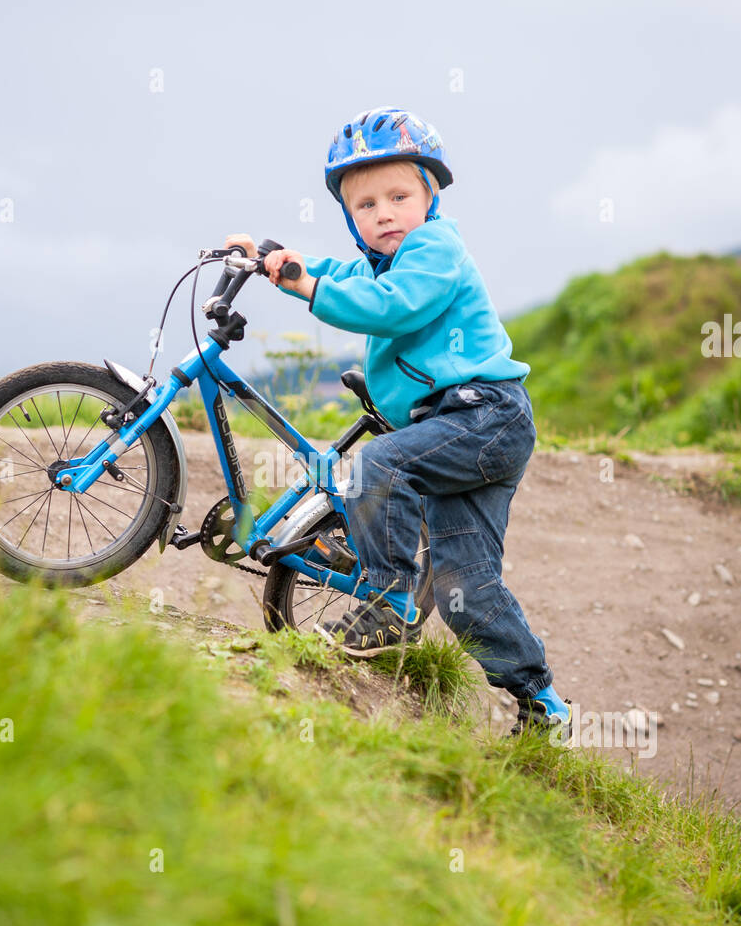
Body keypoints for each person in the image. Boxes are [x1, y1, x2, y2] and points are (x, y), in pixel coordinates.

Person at [224, 105, 572, 739]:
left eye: (399, 196)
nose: (383, 213)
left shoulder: (435, 250)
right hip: (457, 427)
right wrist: (275, 260)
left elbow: (391, 307)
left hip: (485, 415)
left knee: (380, 464)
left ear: (430, 197)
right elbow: (335, 275)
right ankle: (541, 701)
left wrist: (307, 288)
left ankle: (386, 607)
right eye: (364, 206)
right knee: (468, 591)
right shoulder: (379, 261)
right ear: (351, 218)